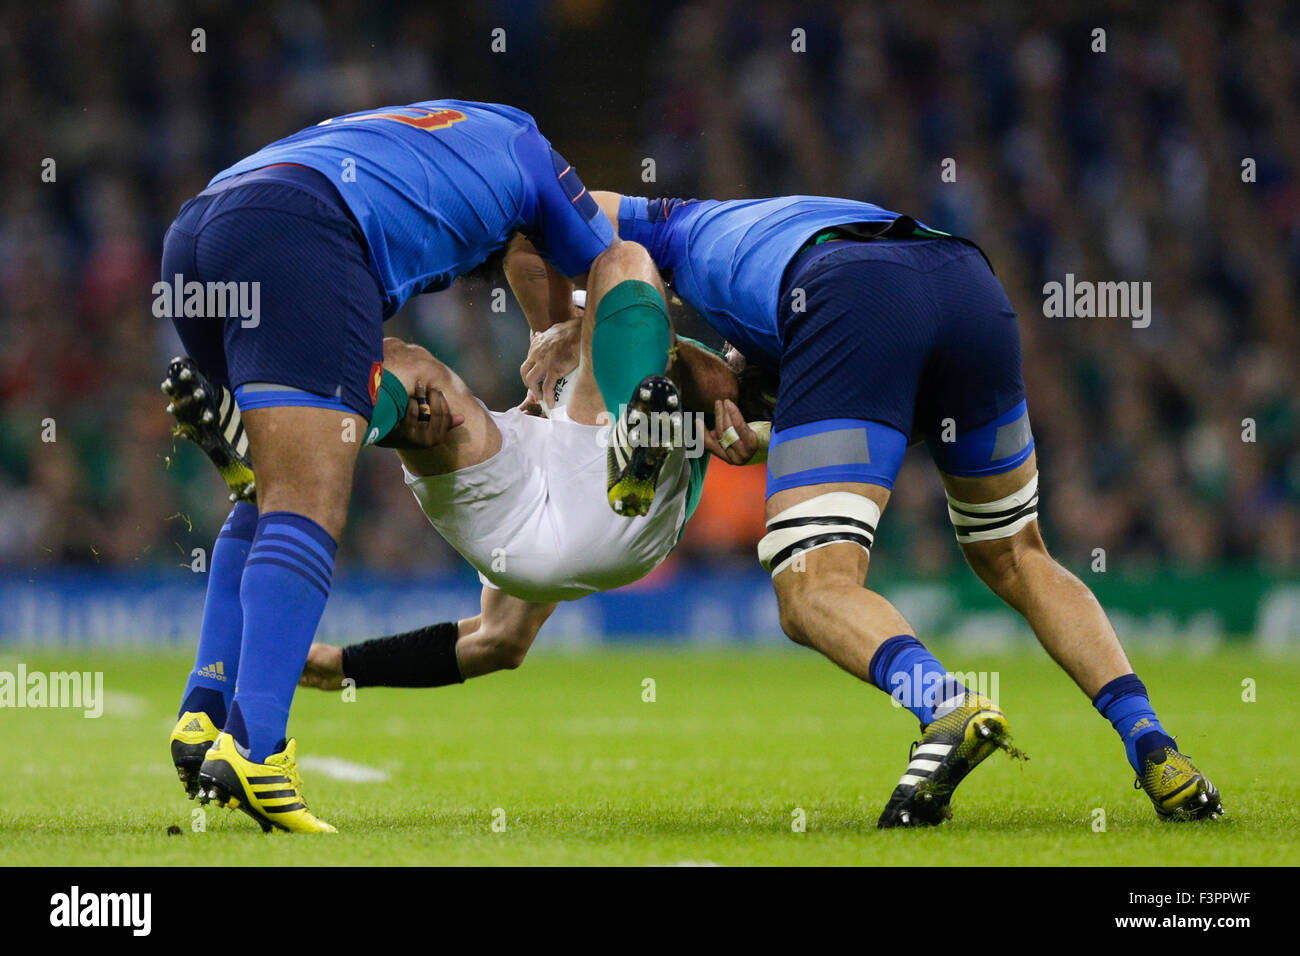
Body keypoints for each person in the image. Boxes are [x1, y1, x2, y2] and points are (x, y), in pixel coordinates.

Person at [522, 190, 1223, 827]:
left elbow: (545, 202)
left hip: (847, 289)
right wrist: (770, 432)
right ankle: (1155, 745)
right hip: (968, 285)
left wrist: (563, 324)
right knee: (1017, 552)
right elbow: (888, 405)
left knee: (810, 586)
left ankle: (945, 705)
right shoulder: (759, 260)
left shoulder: (672, 228)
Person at [161, 100, 668, 833]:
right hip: (305, 231)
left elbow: (528, 254)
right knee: (306, 500)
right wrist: (561, 333)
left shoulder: (445, 128)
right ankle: (255, 750)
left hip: (201, 230)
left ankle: (205, 709)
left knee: (278, 481)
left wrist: (548, 333)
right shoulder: (534, 150)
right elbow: (603, 260)